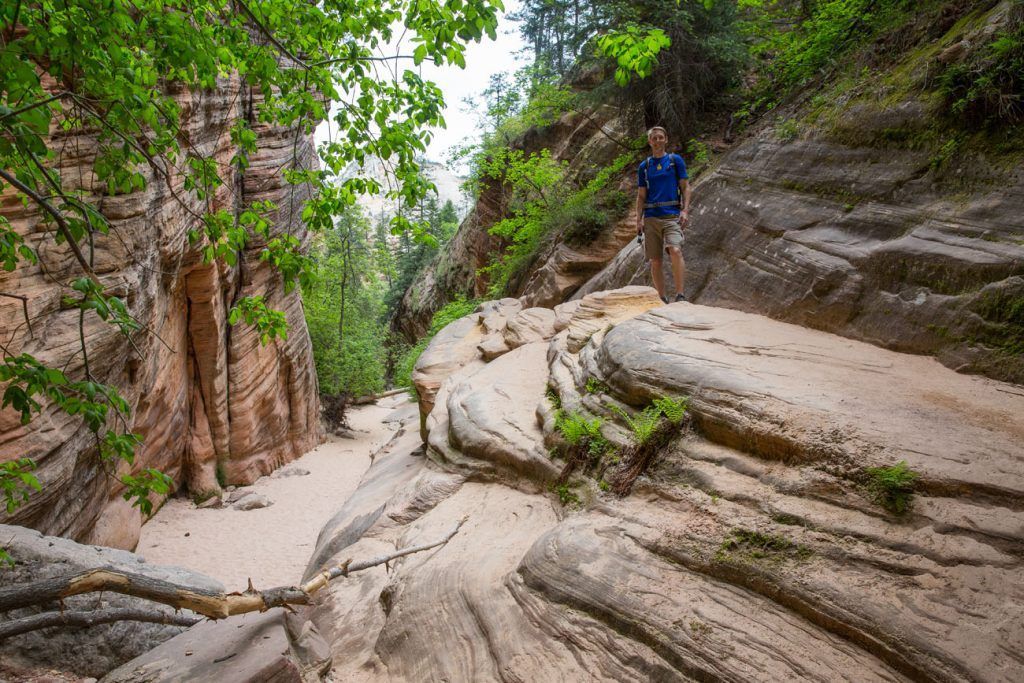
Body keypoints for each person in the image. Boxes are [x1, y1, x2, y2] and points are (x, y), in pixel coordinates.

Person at [635, 126, 691, 304]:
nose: (657, 141)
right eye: (654, 138)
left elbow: (685, 187)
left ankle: (680, 295)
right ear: (649, 142)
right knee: (655, 260)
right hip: (651, 216)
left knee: (675, 250)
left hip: (671, 215)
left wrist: (685, 210)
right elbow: (641, 195)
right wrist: (638, 219)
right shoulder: (645, 166)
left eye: (660, 137)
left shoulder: (675, 161)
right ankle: (661, 298)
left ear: (666, 140)